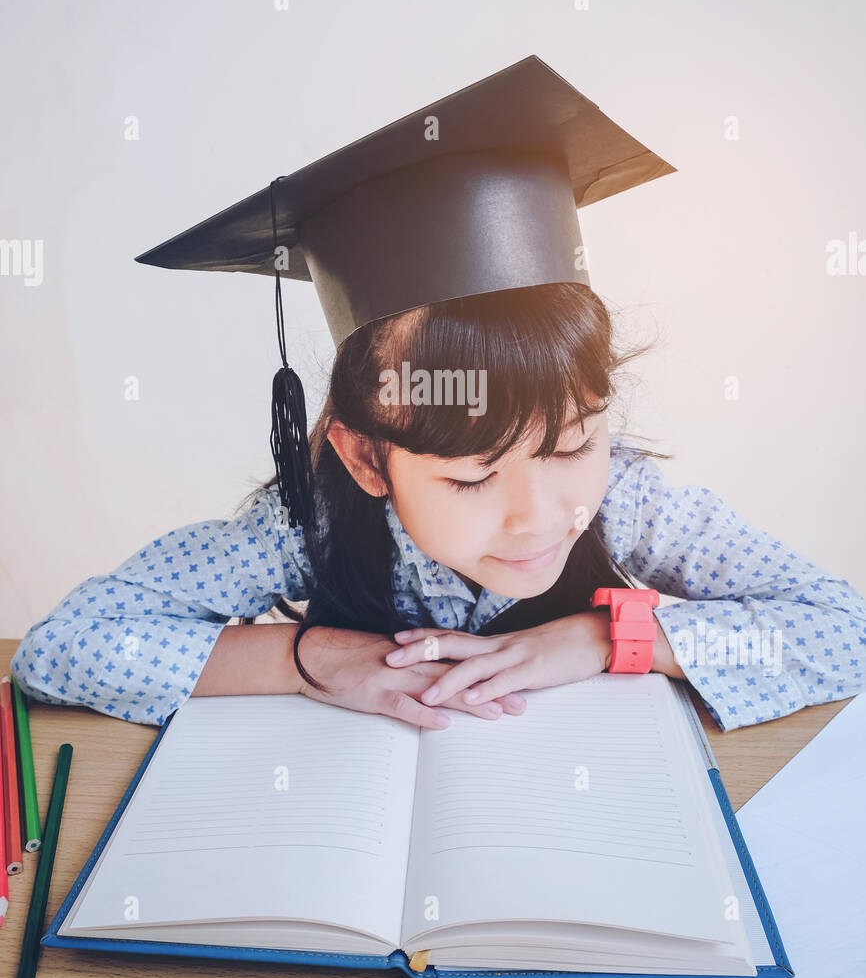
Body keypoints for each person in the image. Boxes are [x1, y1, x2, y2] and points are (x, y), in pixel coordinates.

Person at [11, 59, 866, 732]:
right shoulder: (310, 521)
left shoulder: (630, 501)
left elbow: (843, 629)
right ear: (366, 455)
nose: (539, 516)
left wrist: (606, 638)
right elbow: (63, 650)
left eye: (571, 445)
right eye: (469, 478)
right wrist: (309, 660)